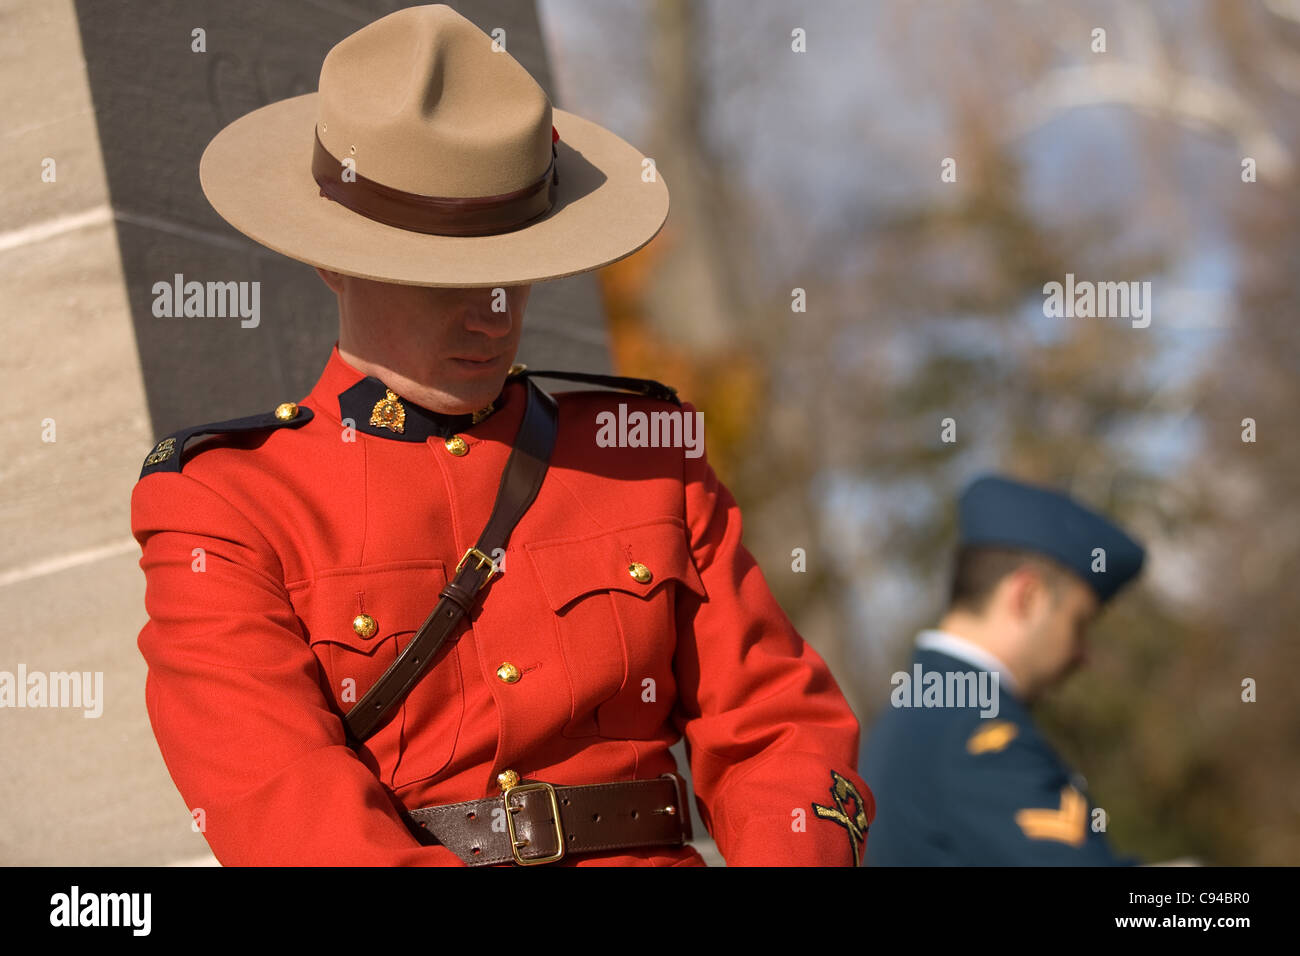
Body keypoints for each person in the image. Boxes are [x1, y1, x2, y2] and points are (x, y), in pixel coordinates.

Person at [131, 3, 872, 867]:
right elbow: (291, 813)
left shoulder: (641, 454)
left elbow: (781, 732)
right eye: (442, 278)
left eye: (512, 271)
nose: (493, 314)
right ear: (332, 256)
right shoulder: (224, 505)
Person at [861, 474, 1145, 865]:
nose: (1083, 655)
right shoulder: (973, 735)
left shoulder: (923, 709)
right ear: (1026, 597)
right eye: (1078, 624)